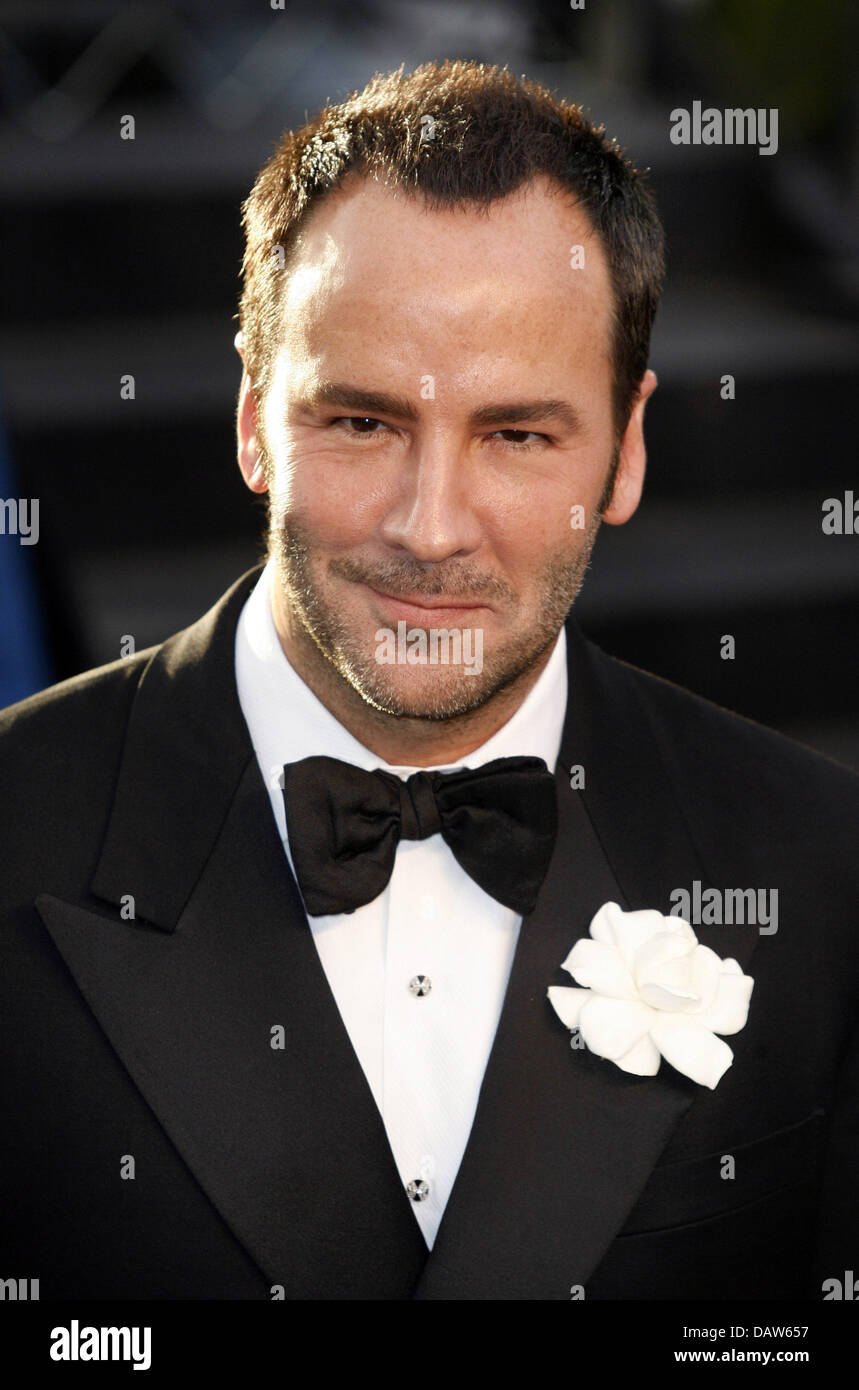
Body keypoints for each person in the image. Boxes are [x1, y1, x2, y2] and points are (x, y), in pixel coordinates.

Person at [1, 60, 856, 1301]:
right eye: (360, 422)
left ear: (624, 450)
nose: (433, 526)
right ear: (252, 421)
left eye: (517, 435)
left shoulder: (819, 870)